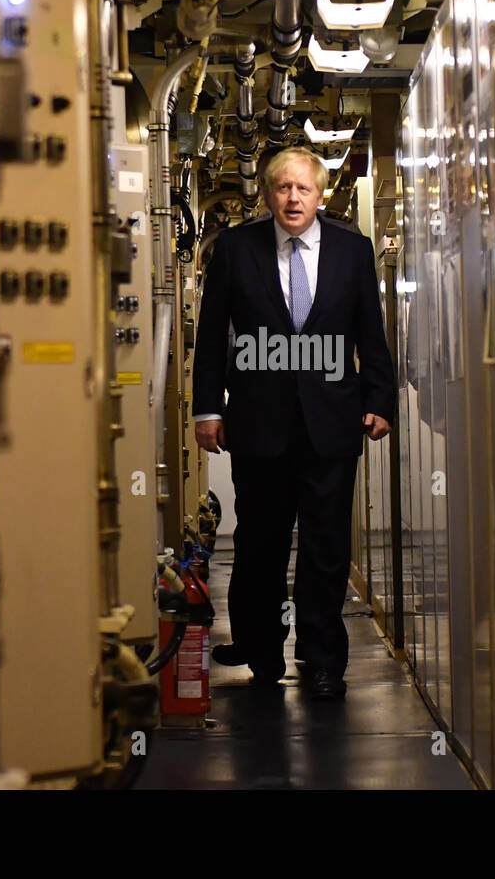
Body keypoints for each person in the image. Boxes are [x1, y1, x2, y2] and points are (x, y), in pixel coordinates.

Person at [191, 147, 395, 700]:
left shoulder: (353, 252)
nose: (293, 198)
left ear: (321, 195)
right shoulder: (236, 250)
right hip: (258, 426)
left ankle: (323, 656)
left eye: (303, 189)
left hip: (332, 425)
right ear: (266, 194)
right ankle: (261, 655)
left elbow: (370, 334)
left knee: (327, 547)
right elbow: (210, 338)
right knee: (260, 545)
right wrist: (207, 409)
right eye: (282, 188)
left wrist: (380, 399)